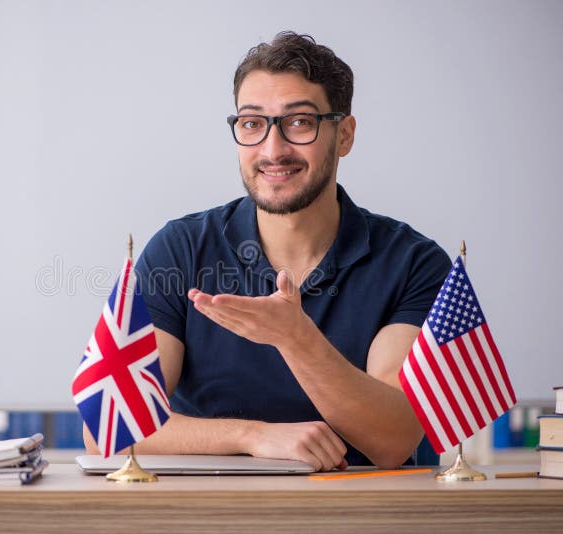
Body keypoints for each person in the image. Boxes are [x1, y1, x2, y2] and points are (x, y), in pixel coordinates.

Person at [83, 31, 450, 470]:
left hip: (360, 514)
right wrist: (251, 435)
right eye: (253, 124)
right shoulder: (179, 250)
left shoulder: (413, 263)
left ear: (344, 135)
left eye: (299, 122)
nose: (273, 151)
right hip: (210, 514)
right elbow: (109, 428)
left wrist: (295, 339)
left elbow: (393, 439)